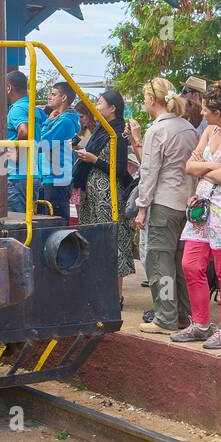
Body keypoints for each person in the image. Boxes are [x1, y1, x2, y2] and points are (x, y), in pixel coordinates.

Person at [170, 83, 221, 350]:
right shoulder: (208, 131)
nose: (202, 112)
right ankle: (201, 323)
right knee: (191, 264)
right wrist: (212, 166)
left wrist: (204, 169)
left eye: (206, 108)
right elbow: (189, 165)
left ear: (217, 111)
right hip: (202, 208)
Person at [134, 77, 198, 334]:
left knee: (160, 263)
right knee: (180, 264)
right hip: (186, 203)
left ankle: (165, 317)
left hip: (163, 203)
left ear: (151, 100)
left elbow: (149, 172)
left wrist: (141, 207)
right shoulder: (188, 128)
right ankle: (184, 314)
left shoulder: (156, 131)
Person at [73, 89, 133, 297]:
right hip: (93, 194)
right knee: (95, 239)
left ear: (113, 108)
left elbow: (119, 169)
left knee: (112, 239)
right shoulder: (102, 130)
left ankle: (116, 295)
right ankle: (99, 289)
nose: (96, 107)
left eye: (100, 103)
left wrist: (94, 160)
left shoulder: (117, 133)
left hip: (108, 196)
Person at [35, 81, 80, 223]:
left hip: (56, 177)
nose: (49, 97)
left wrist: (45, 123)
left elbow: (41, 143)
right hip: (50, 175)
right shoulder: (58, 120)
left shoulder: (65, 121)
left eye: (53, 94)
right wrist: (48, 121)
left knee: (56, 220)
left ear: (64, 98)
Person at [4, 69, 42, 215]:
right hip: (33, 174)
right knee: (27, 220)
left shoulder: (17, 109)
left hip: (17, 176)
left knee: (17, 221)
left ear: (9, 88)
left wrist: (18, 156)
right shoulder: (35, 109)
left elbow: (24, 131)